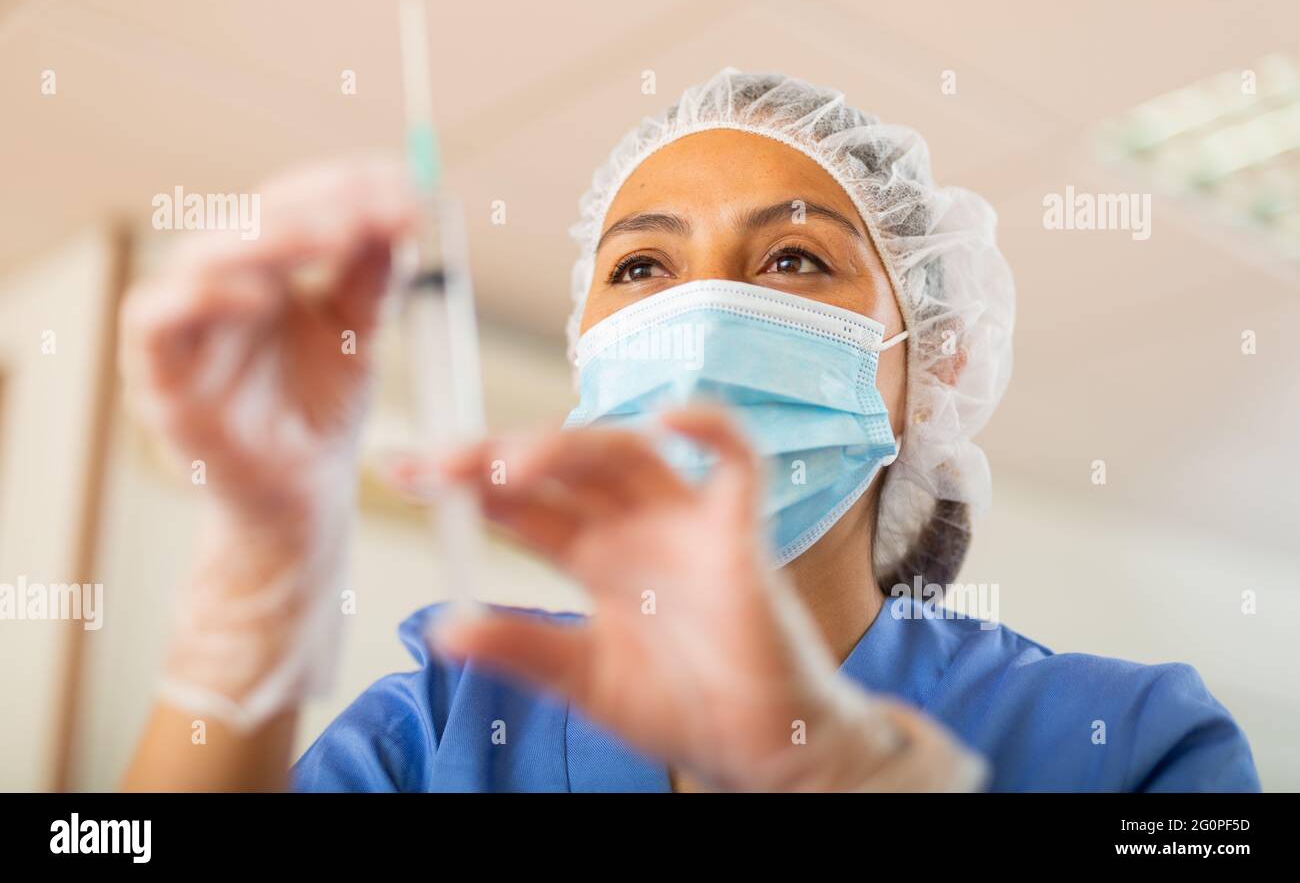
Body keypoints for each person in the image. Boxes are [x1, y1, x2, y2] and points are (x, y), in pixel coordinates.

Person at [120, 69, 1258, 792]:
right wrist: (250, 600)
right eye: (643, 267)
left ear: (936, 365)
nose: (699, 311)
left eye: (794, 258)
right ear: (588, 349)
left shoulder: (1132, 741)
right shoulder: (448, 716)